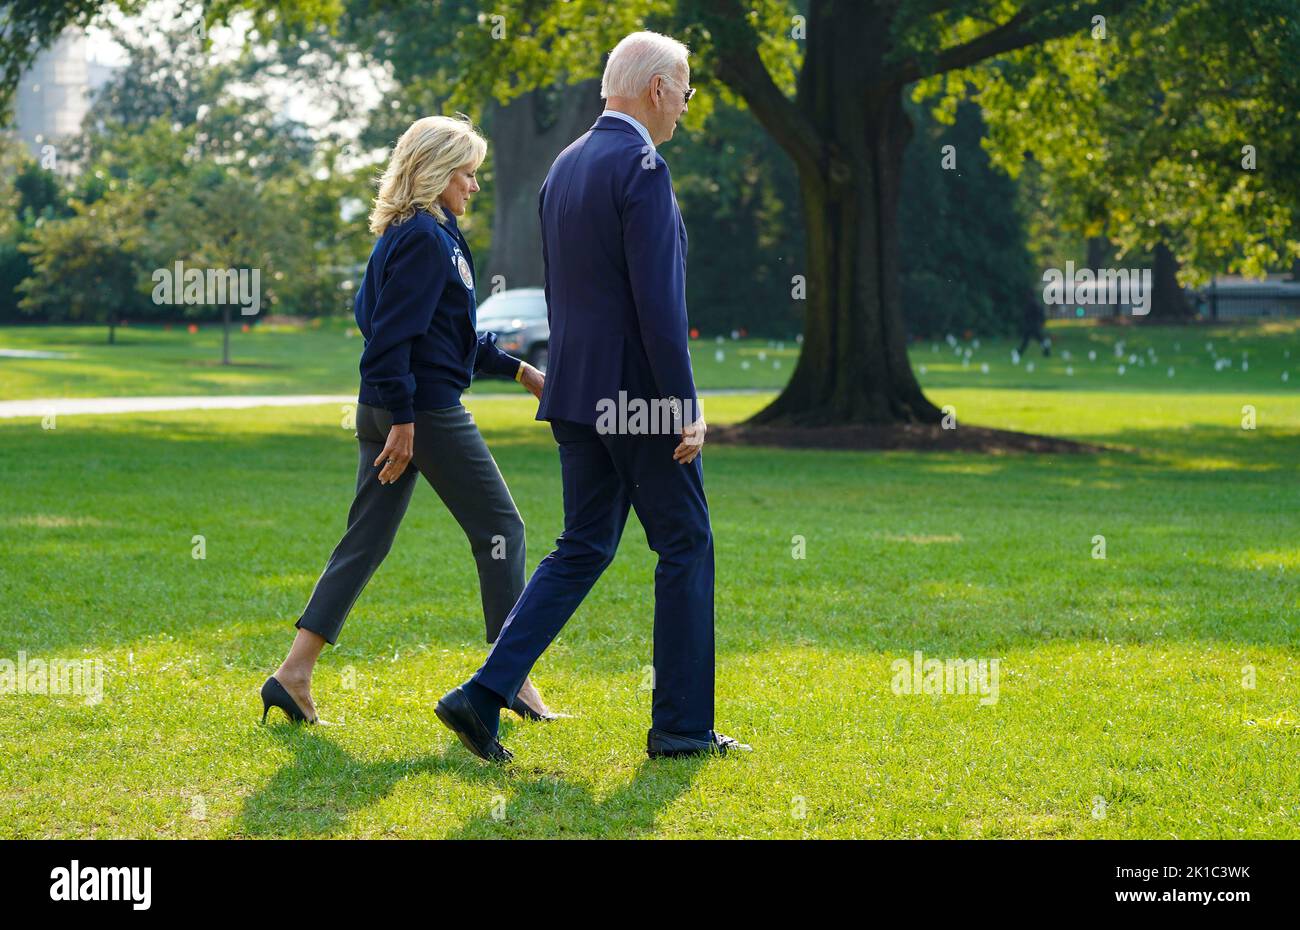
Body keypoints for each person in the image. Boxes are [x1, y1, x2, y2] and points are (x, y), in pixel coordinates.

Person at [434, 31, 749, 762]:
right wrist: (685, 404)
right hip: (638, 400)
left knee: (582, 546)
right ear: (657, 89)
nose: (687, 105)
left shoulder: (564, 166)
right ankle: (680, 728)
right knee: (685, 543)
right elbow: (659, 308)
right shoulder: (643, 167)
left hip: (577, 397)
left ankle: (483, 695)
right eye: (686, 89)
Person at [260, 114, 559, 726]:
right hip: (420, 413)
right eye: (467, 174)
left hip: (388, 408)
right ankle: (511, 679)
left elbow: (446, 337)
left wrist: (521, 371)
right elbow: (389, 341)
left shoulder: (410, 235)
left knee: (364, 542)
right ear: (436, 172)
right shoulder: (426, 239)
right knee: (502, 528)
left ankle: (292, 674)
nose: (474, 186)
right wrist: (404, 421)